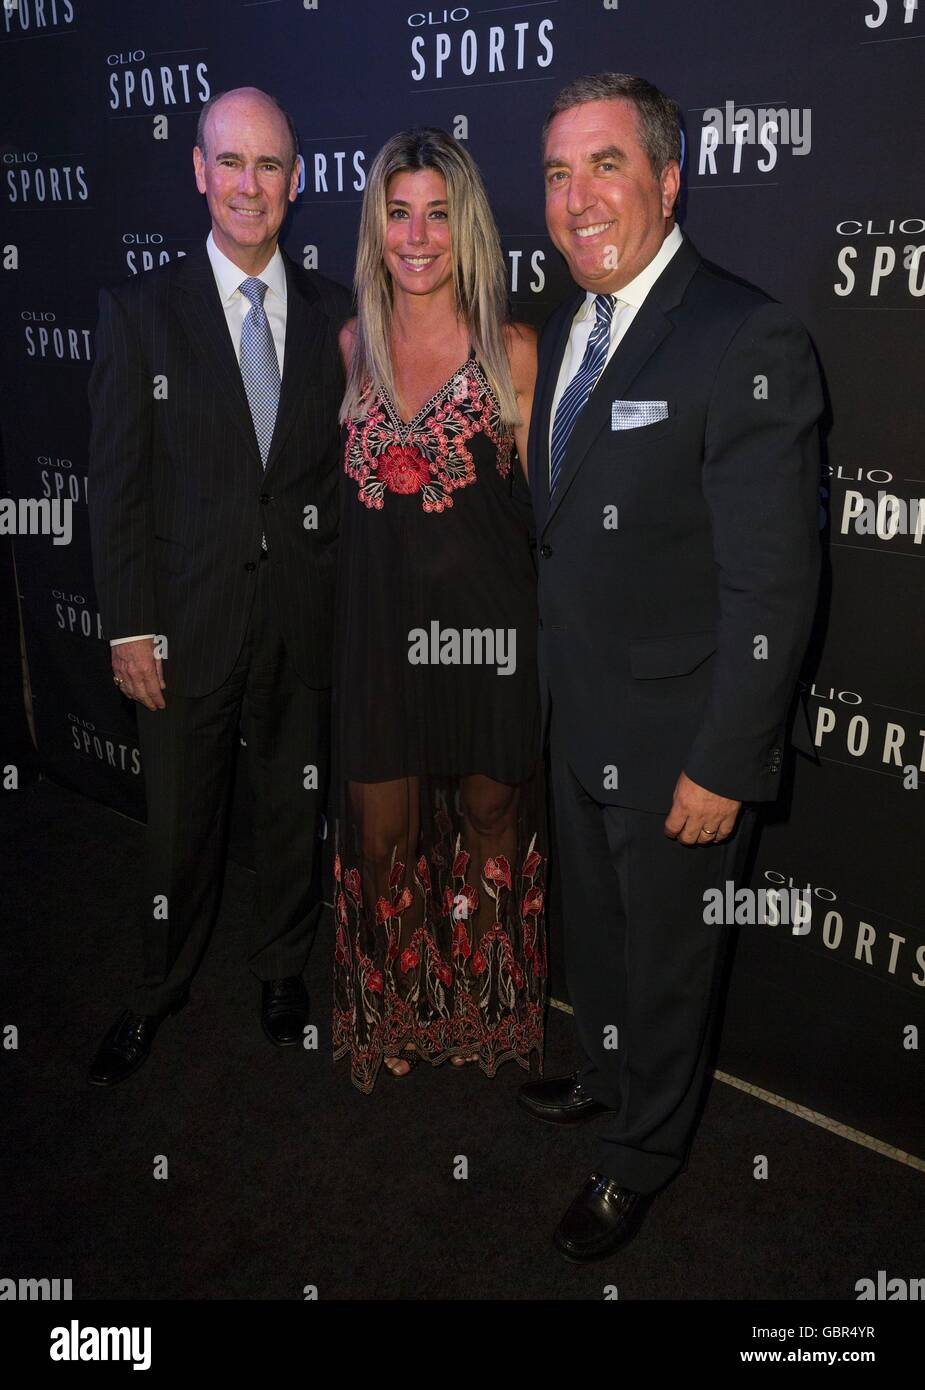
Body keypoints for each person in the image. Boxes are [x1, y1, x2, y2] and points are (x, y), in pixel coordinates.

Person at [518, 74, 822, 1260]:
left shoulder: (742, 333)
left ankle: (639, 1156)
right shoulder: (560, 323)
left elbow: (772, 585)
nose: (577, 196)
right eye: (556, 172)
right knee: (598, 938)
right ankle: (603, 1074)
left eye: (604, 165)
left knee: (666, 963)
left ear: (666, 177)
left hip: (682, 741)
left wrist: (724, 761)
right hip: (577, 715)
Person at [87, 87, 351, 1085]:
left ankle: (283, 971)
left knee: (293, 809)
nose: (250, 185)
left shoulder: (337, 315)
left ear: (296, 179)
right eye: (230, 163)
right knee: (177, 829)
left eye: (270, 165)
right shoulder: (138, 312)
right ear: (200, 172)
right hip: (185, 624)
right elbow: (114, 488)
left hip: (302, 620)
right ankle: (157, 986)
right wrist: (131, 627)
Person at [332, 128, 546, 1090]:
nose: (417, 237)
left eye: (438, 215)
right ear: (376, 225)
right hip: (379, 640)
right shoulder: (351, 345)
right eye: (398, 213)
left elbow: (542, 520)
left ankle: (488, 1010)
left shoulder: (513, 351)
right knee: (382, 833)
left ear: (467, 228)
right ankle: (396, 1009)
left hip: (489, 639)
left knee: (489, 816)